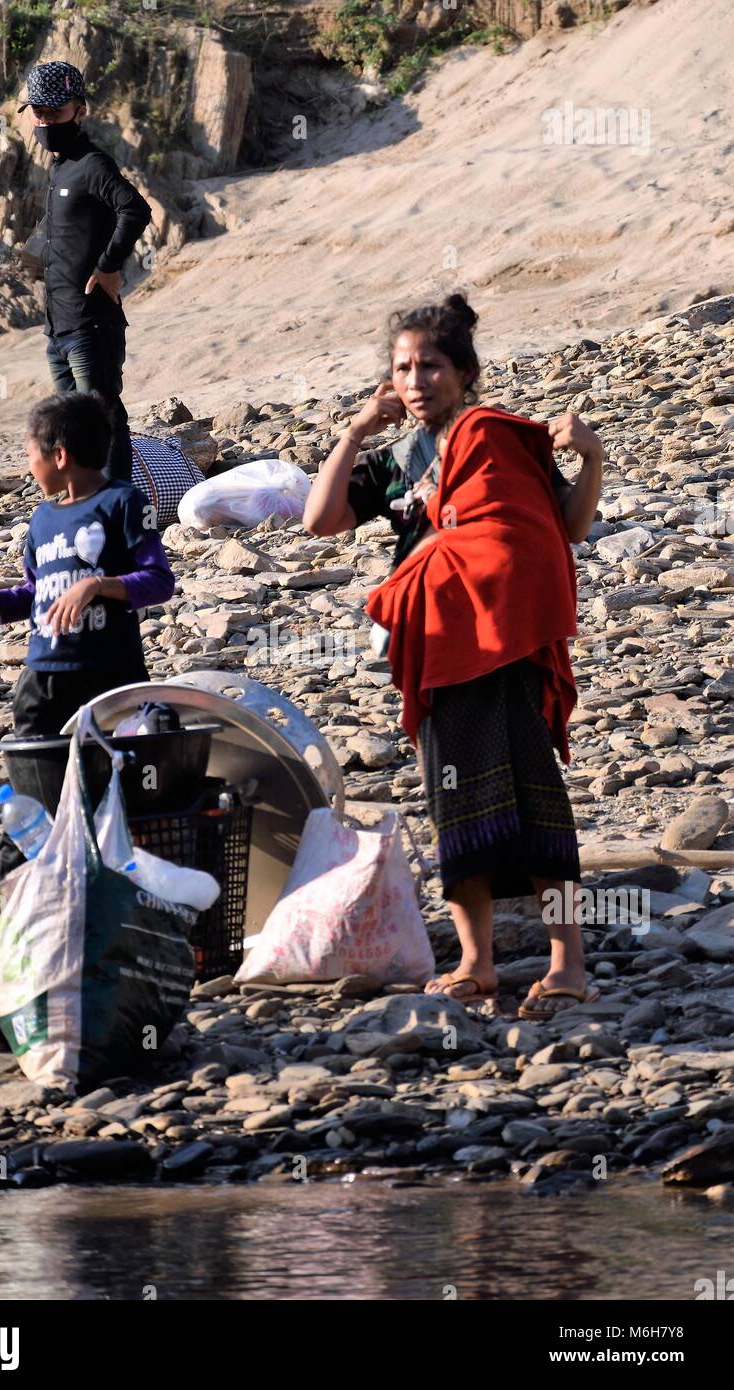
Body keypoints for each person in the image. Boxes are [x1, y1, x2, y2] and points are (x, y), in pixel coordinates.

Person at [303, 295, 605, 1021]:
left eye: (431, 365)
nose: (416, 380)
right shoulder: (402, 458)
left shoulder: (497, 438)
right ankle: (477, 963)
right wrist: (353, 433)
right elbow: (321, 522)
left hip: (504, 641)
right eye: (403, 368)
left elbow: (560, 528)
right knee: (455, 801)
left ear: (464, 372)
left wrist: (592, 455)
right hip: (437, 644)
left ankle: (568, 963)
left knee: (538, 799)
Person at [0, 391, 175, 877]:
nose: (29, 466)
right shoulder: (41, 520)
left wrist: (97, 586)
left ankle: (120, 885)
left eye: (29, 455)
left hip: (113, 676)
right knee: (32, 797)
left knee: (119, 791)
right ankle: (11, 891)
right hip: (44, 680)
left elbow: (159, 581)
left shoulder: (123, 502)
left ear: (58, 455)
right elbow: (36, 595)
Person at [19, 60, 152, 483]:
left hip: (92, 325)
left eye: (54, 114)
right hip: (58, 327)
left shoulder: (93, 165)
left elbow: (135, 209)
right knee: (74, 426)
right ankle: (84, 505)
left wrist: (110, 266)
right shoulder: (58, 168)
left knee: (104, 416)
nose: (44, 122)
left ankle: (117, 508)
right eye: (38, 114)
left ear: (81, 111)